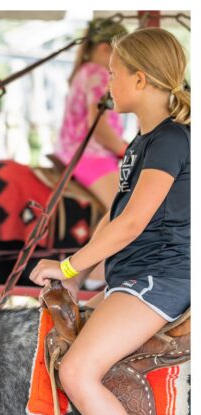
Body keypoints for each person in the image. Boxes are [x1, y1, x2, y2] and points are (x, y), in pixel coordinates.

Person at [30, 27, 189, 415]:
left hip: (159, 276)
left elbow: (133, 222)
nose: (108, 85)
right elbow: (111, 218)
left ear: (140, 79)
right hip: (137, 273)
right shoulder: (143, 142)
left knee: (78, 371)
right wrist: (82, 269)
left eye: (114, 75)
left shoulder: (169, 141)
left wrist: (72, 266)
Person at [56, 19, 130, 289]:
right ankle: (97, 276)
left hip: (72, 150)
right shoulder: (100, 73)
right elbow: (97, 126)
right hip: (90, 154)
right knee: (124, 208)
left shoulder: (83, 71)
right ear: (103, 48)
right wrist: (125, 149)